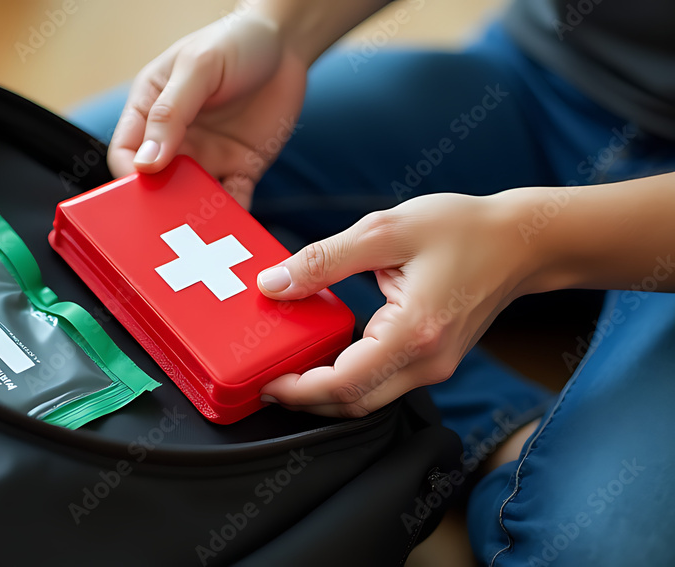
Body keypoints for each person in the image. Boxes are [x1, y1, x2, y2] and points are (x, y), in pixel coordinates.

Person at [69, 0, 675, 564]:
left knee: (588, 548)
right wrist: (278, 28)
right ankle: (497, 423)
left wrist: (537, 242)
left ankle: (483, 433)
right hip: (549, 86)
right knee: (92, 170)